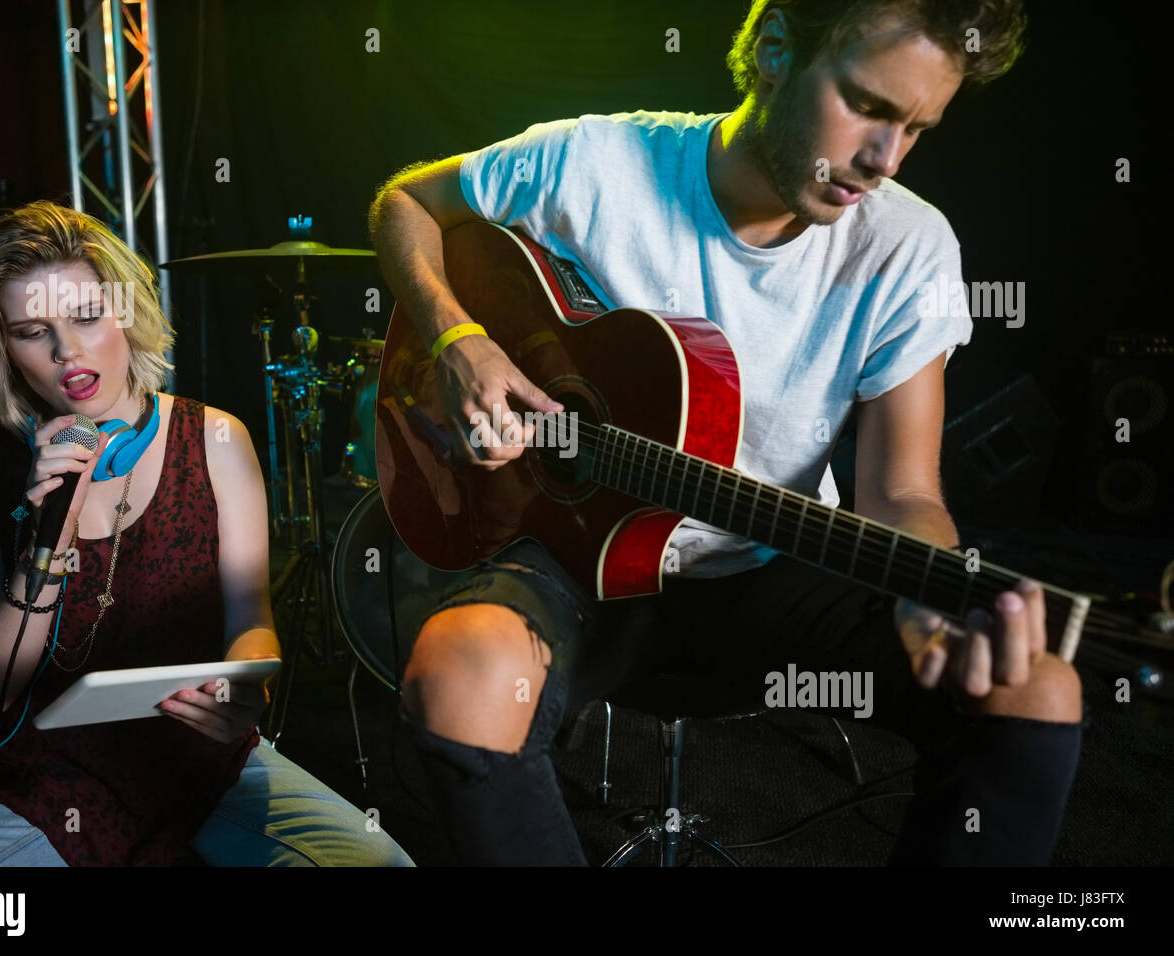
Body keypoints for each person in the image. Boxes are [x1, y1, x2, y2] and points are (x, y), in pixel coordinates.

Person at [367, 0, 1083, 865]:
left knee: (1036, 686)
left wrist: (928, 598)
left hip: (768, 569)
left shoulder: (910, 247)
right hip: (576, 559)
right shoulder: (595, 160)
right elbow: (404, 202)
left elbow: (902, 492)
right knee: (456, 674)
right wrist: (456, 337)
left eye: (916, 129)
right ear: (776, 49)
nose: (881, 161)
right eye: (867, 106)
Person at [0, 201, 412, 866]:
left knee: (381, 865)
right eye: (32, 330)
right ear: (4, 348)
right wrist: (46, 538)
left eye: (85, 316)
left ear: (124, 314)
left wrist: (246, 691)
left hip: (204, 763)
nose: (67, 352)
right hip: (55, 776)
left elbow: (250, 620)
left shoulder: (218, 438)